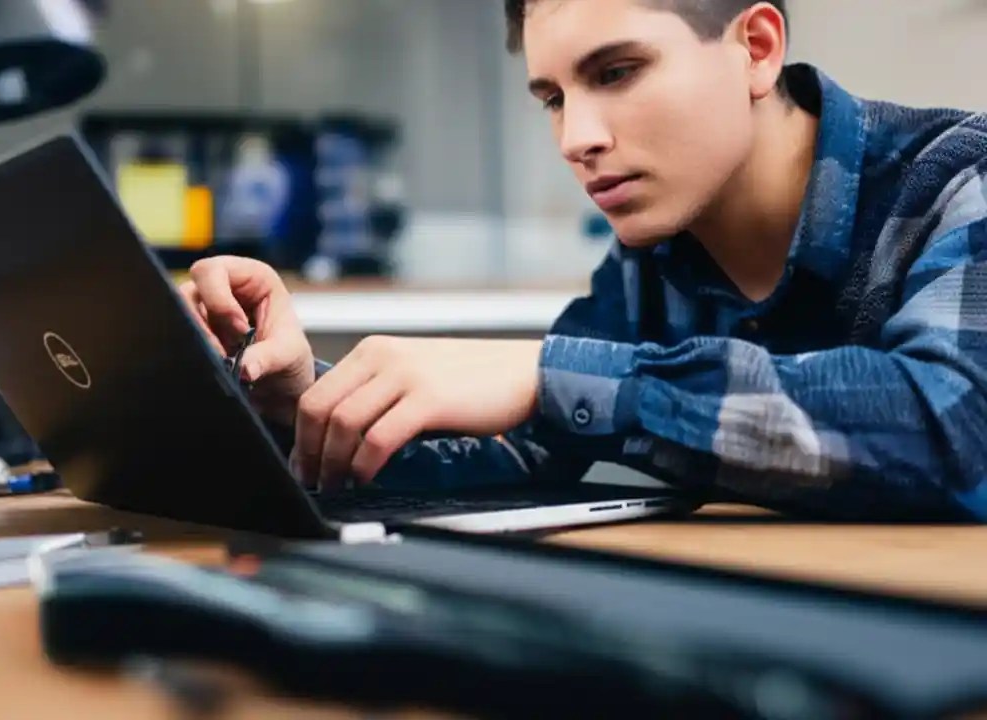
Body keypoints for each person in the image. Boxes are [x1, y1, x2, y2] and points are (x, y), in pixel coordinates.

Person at [178, 0, 987, 522]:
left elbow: (955, 426)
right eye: (556, 99)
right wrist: (304, 402)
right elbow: (521, 448)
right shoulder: (656, 247)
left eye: (617, 72)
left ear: (757, 47)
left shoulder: (958, 179)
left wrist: (545, 376)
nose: (577, 140)